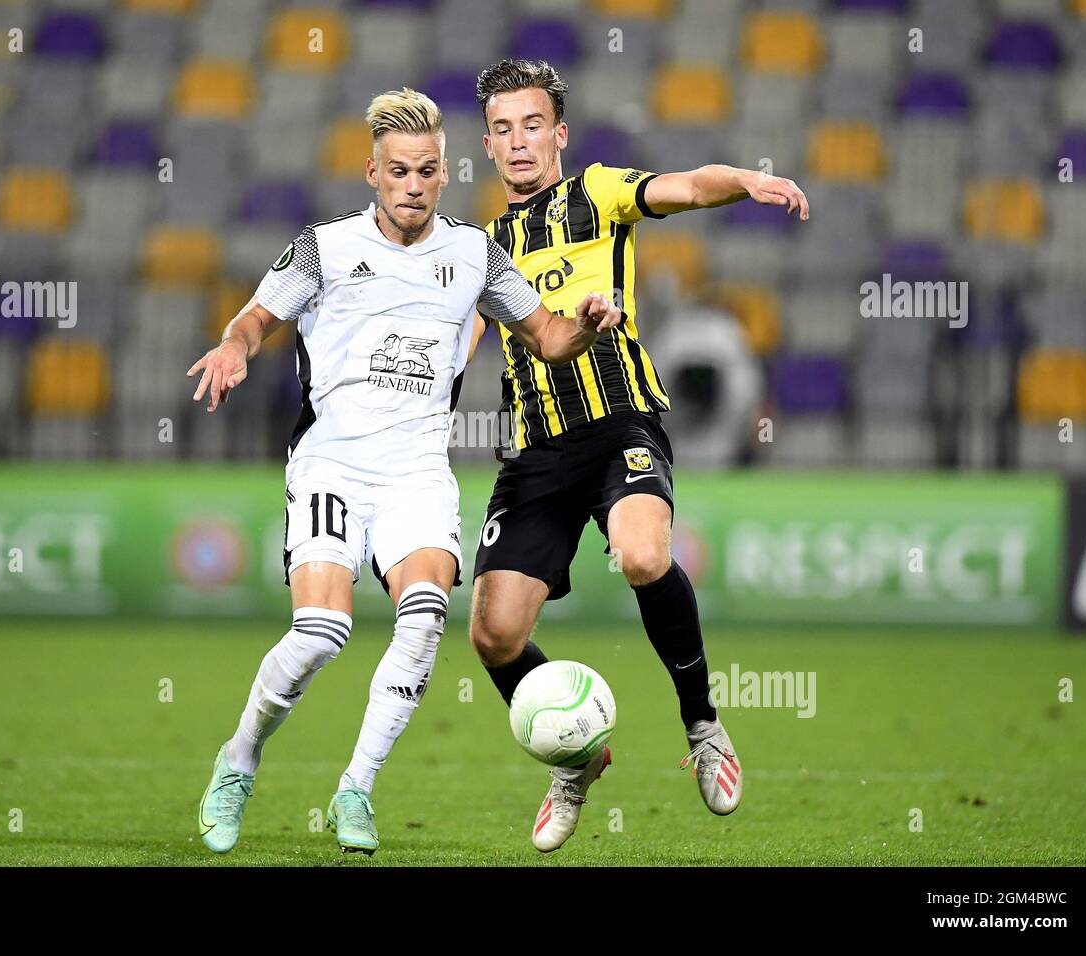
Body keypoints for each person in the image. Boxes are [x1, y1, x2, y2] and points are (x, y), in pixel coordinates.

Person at [188, 87, 623, 856]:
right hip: (332, 463)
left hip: (417, 473)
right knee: (321, 632)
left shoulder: (474, 255)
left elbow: (548, 336)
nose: (413, 185)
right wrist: (233, 347)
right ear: (373, 173)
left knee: (422, 621)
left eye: (426, 171)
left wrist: (585, 327)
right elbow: (256, 316)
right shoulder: (325, 247)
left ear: (444, 173)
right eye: (398, 172)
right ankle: (239, 756)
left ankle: (357, 786)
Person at [467, 59, 810, 852]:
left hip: (620, 418)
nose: (519, 143)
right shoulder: (482, 249)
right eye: (503, 130)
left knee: (644, 555)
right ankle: (576, 758)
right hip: (534, 450)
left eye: (532, 126)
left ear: (558, 133)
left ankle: (702, 728)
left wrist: (749, 183)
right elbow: (460, 340)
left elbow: (687, 186)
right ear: (487, 145)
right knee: (493, 637)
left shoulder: (599, 190)